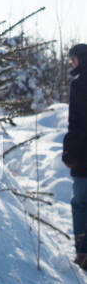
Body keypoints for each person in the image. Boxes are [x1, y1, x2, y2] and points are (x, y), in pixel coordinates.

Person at [63, 44, 87, 268]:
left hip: (84, 156)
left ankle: (83, 252)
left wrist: (69, 152)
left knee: (80, 203)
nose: (72, 63)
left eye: (73, 59)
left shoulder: (80, 84)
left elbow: (77, 123)